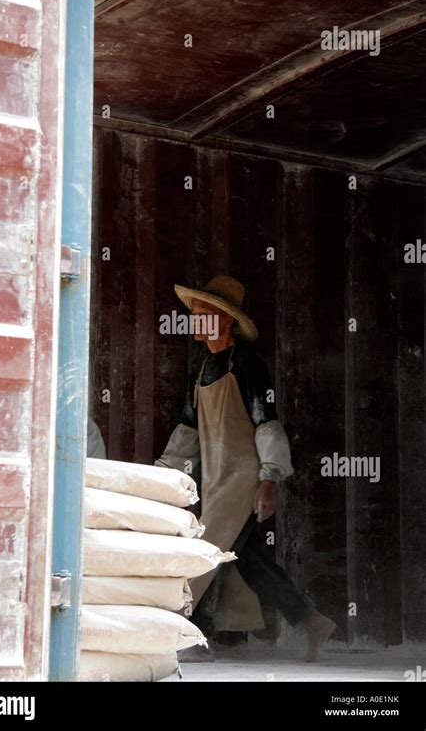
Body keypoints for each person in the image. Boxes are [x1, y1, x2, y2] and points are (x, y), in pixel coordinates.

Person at [155, 275, 336, 662]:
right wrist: (165, 472)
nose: (198, 321)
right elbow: (188, 429)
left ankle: (194, 638)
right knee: (249, 560)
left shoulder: (248, 365)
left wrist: (268, 479)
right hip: (215, 479)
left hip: (242, 481)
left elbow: (266, 422)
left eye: (206, 314)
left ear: (227, 319)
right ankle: (310, 620)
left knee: (204, 553)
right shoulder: (201, 368)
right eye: (196, 314)